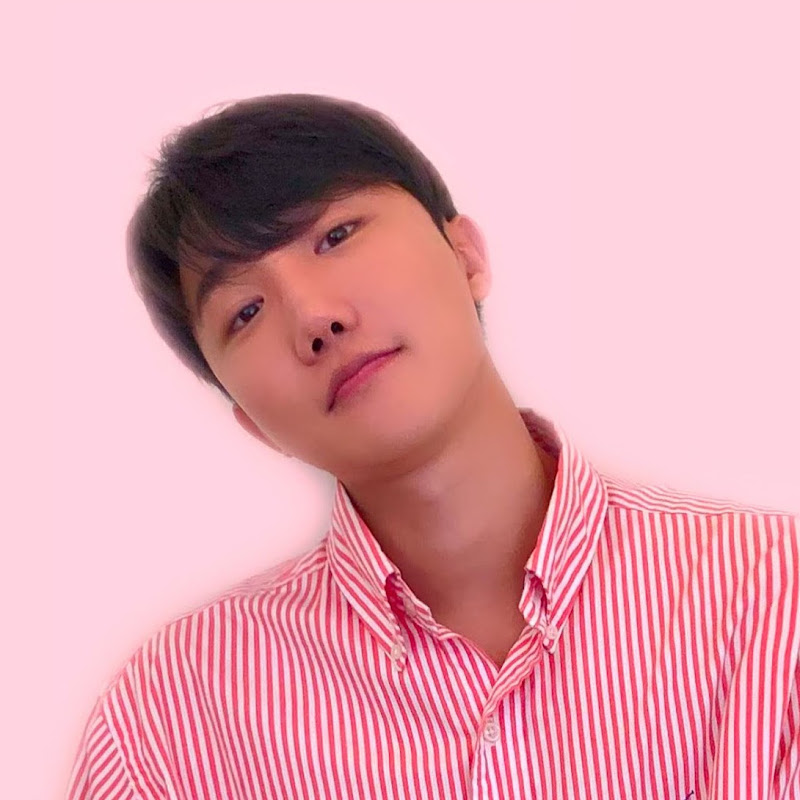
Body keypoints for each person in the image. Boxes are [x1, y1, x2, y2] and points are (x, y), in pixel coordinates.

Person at [66, 93, 799, 800]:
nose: (314, 316)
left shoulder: (772, 597)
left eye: (336, 236)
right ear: (254, 424)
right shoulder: (170, 722)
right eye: (246, 311)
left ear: (465, 255)